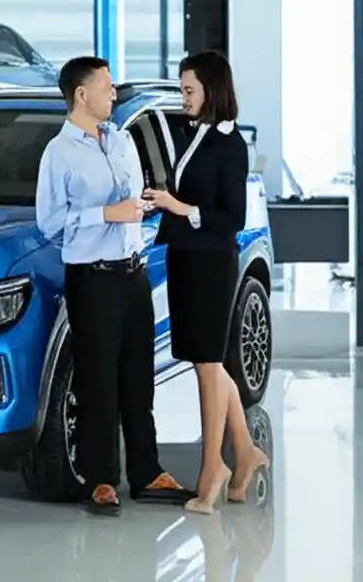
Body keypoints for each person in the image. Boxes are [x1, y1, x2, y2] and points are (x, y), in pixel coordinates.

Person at [36, 55, 186, 516]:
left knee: (139, 377)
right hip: (93, 278)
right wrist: (104, 213)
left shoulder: (121, 141)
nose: (114, 94)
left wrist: (137, 206)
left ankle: (147, 472)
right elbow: (49, 223)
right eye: (107, 88)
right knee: (97, 380)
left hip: (133, 272)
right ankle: (100, 479)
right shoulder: (59, 153)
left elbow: (132, 197)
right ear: (81, 95)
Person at [147, 50, 268, 514]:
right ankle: (246, 453)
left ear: (211, 90)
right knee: (209, 364)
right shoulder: (192, 134)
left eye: (189, 90)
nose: (183, 98)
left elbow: (231, 217)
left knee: (207, 366)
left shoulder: (230, 145)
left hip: (211, 264)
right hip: (185, 258)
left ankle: (212, 466)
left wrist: (179, 206)